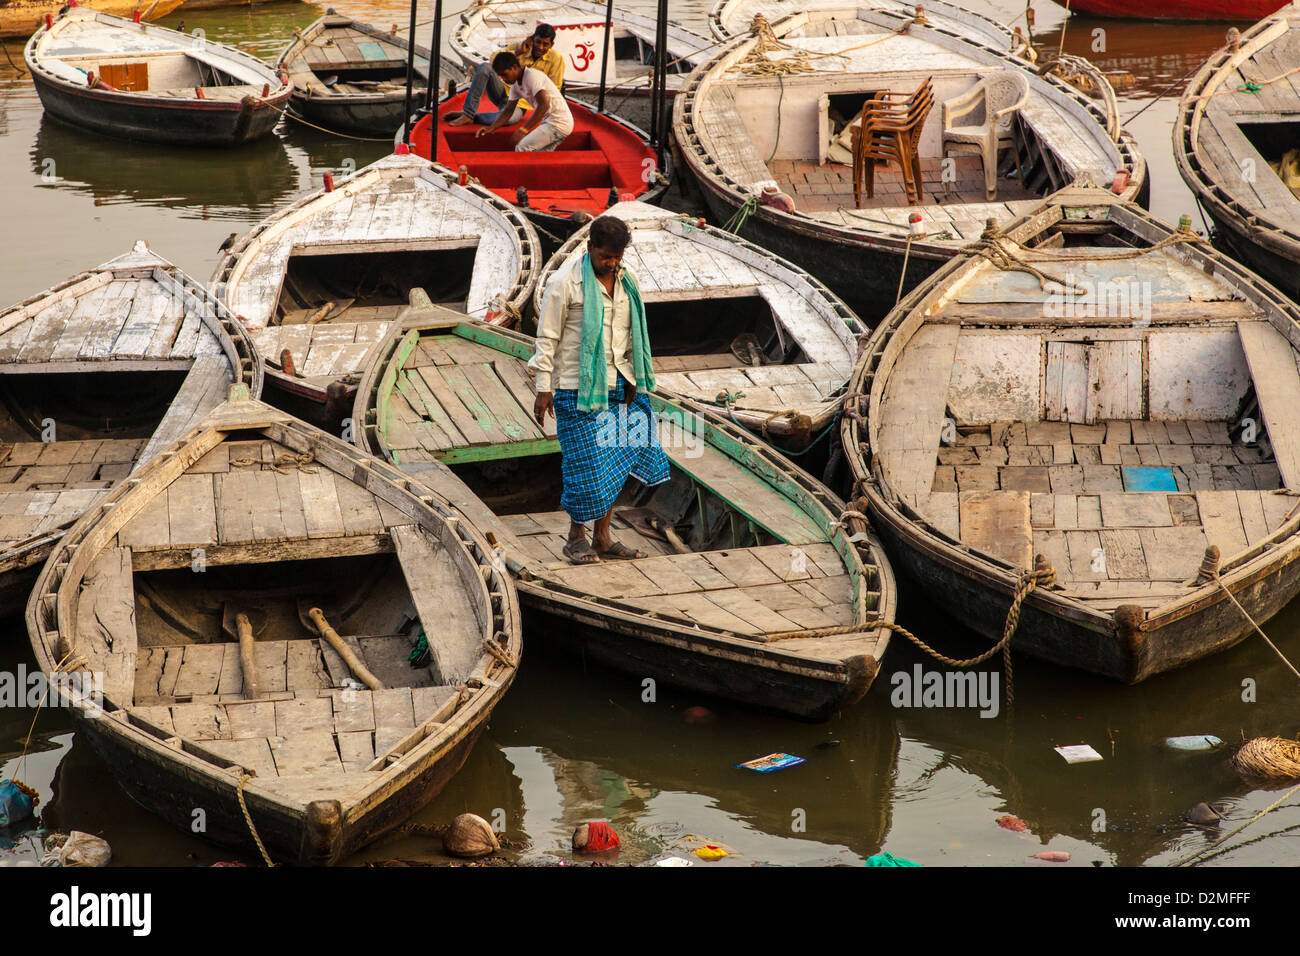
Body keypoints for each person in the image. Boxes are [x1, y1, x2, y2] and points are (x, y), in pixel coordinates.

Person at [528, 216, 668, 565]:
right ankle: (576, 538)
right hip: (578, 387)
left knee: (615, 459)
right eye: (606, 256)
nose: (612, 262)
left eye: (617, 256)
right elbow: (547, 339)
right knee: (585, 463)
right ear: (590, 248)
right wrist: (543, 388)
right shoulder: (565, 283)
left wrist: (635, 378)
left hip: (621, 382)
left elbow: (629, 335)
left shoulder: (627, 281)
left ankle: (603, 538)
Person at [447, 23, 564, 128]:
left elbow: (554, 90)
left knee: (508, 119)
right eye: (538, 42)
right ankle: (468, 113)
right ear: (532, 39)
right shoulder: (521, 47)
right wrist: (518, 52)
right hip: (502, 93)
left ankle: (473, 117)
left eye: (545, 44)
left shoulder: (557, 60)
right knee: (485, 67)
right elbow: (493, 60)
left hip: (520, 103)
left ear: (551, 45)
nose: (540, 47)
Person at [473, 51, 573, 152]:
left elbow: (544, 105)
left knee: (522, 148)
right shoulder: (515, 86)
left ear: (515, 67)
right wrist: (491, 128)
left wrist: (523, 130)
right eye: (500, 76)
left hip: (558, 123)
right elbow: (508, 111)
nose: (503, 79)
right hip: (551, 123)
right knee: (538, 157)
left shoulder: (532, 76)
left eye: (504, 75)